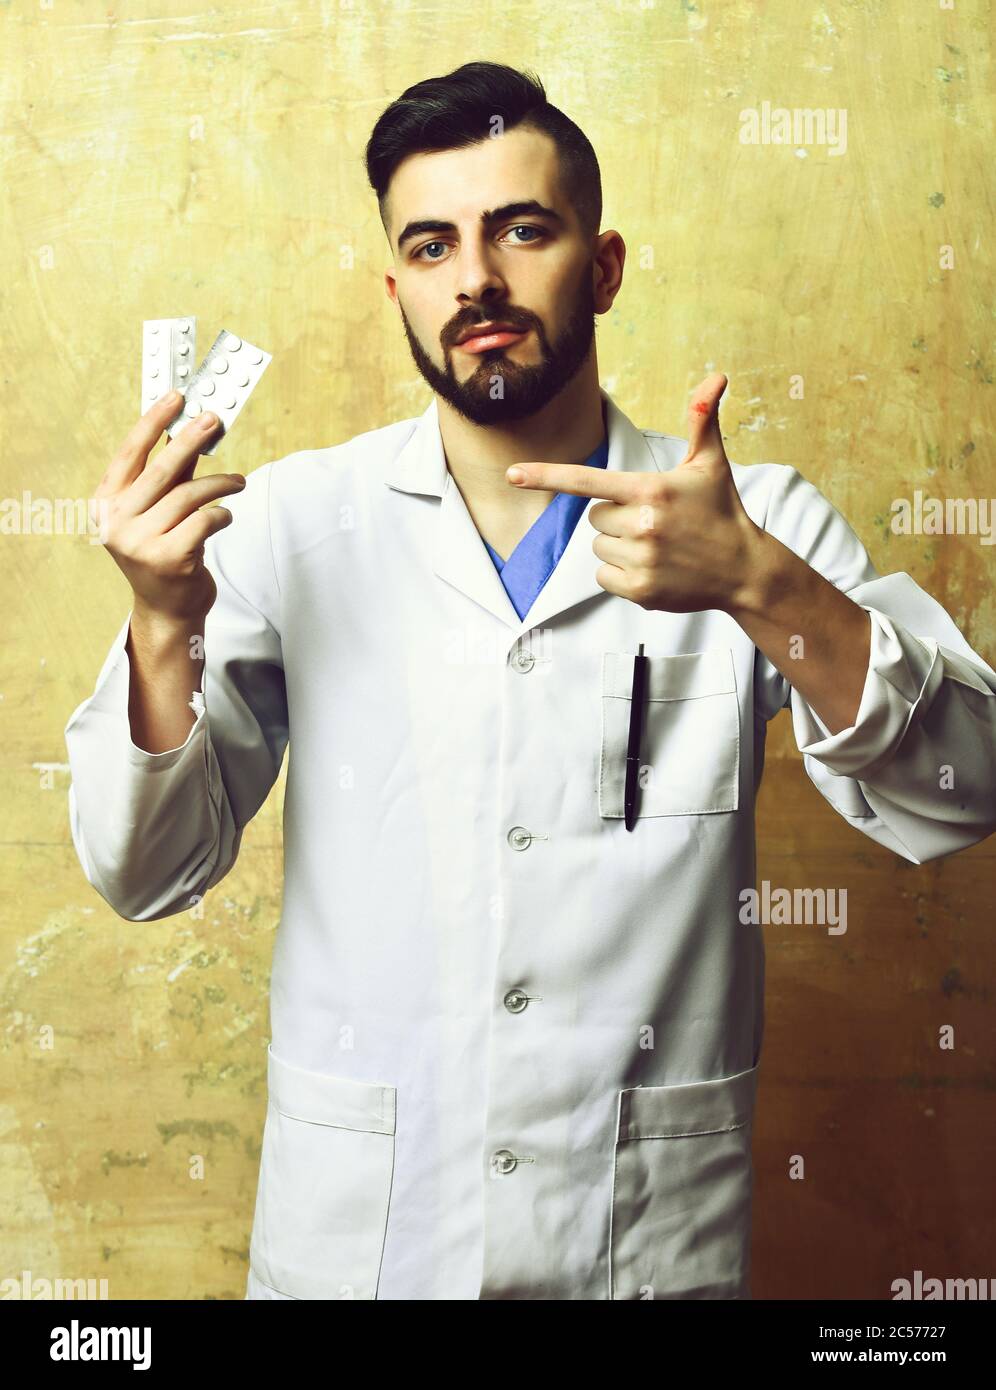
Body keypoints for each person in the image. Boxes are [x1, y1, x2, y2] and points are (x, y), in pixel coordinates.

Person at [64, 61, 996, 1301]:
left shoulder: (755, 519)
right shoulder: (289, 523)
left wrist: (761, 588)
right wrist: (161, 617)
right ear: (397, 288)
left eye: (521, 229)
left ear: (602, 266)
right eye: (434, 245)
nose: (478, 281)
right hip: (366, 1249)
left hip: (642, 1248)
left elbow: (962, 783)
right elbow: (143, 871)